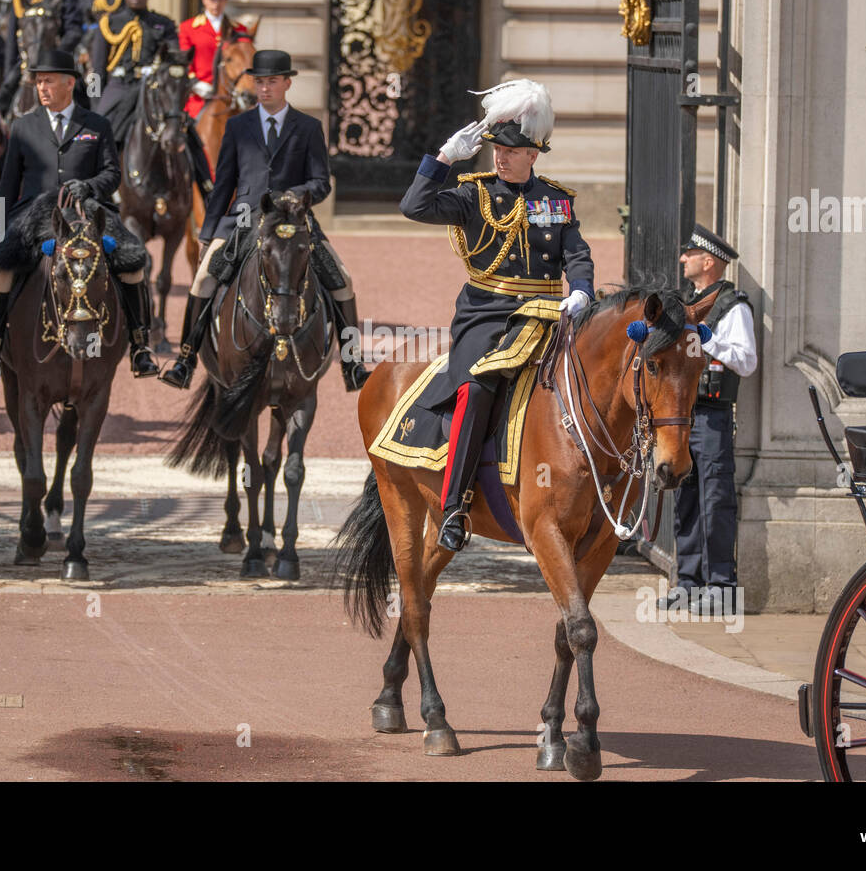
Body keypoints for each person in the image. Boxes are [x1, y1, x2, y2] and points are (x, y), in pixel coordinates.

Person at [398, 79, 594, 552]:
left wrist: (583, 290)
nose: (500, 158)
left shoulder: (555, 199)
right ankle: (455, 507)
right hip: (487, 317)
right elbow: (414, 206)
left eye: (512, 151)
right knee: (477, 389)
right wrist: (443, 160)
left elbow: (577, 253)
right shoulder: (473, 195)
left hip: (546, 314)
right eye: (495, 150)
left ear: (534, 153)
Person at [160, 49, 370, 393]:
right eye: (259, 82)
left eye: (272, 81)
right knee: (202, 281)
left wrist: (297, 195)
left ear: (287, 83)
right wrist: (208, 233)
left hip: (295, 222)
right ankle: (185, 361)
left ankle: (352, 364)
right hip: (244, 221)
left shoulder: (308, 127)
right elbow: (223, 183)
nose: (265, 88)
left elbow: (321, 183)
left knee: (342, 280)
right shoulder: (237, 127)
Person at [0, 47, 158, 388]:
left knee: (133, 263)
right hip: (32, 215)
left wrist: (88, 186)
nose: (41, 88)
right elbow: (7, 184)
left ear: (69, 83)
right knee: (0, 268)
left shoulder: (97, 124)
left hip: (87, 213)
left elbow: (113, 174)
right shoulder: (23, 126)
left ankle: (141, 346)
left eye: (48, 81)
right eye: (39, 82)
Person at [658, 225, 757, 615]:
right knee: (685, 497)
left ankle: (721, 587)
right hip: (683, 417)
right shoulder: (685, 304)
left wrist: (707, 338)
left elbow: (746, 361)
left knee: (715, 500)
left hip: (713, 416)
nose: (683, 259)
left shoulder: (734, 306)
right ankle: (688, 582)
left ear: (708, 261)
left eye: (689, 254)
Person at [86, 0, 180, 144]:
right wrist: (96, 105)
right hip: (120, 86)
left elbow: (173, 59)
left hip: (153, 88)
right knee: (95, 137)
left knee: (183, 132)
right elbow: (96, 70)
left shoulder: (163, 24)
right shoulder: (109, 23)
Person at [0, 0, 84, 111]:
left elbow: (74, 31)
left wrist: (57, 56)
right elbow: (11, 41)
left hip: (57, 61)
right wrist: (9, 71)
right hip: (26, 63)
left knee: (83, 96)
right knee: (2, 100)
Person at [178, 0, 247, 121]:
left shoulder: (239, 30)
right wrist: (195, 83)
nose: (216, 4)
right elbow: (184, 61)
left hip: (231, 98)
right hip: (199, 97)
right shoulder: (188, 28)